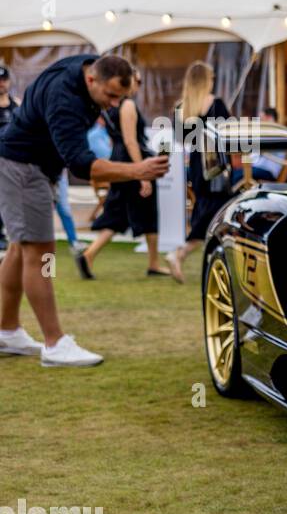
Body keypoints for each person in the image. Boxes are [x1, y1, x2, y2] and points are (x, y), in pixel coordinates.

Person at [0, 54, 169, 366]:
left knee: (18, 249)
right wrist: (138, 171)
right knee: (41, 252)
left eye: (122, 97)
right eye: (111, 95)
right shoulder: (67, 100)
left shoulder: (90, 65)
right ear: (92, 80)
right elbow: (83, 165)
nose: (115, 104)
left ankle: (7, 331)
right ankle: (55, 345)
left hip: (26, 165)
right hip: (24, 168)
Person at [78, 68, 180, 283]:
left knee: (118, 214)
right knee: (147, 211)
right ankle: (151, 263)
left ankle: (90, 254)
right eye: (137, 81)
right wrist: (141, 173)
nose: (139, 86)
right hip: (132, 161)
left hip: (120, 160)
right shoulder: (127, 105)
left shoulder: (109, 106)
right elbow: (130, 140)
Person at [166, 61, 232, 272]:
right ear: (206, 80)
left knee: (206, 207)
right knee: (217, 209)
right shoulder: (216, 104)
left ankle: (204, 254)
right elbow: (229, 133)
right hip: (216, 162)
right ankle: (181, 252)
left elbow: (180, 138)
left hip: (196, 163)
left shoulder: (181, 107)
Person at [0, 65, 18, 252]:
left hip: (13, 161)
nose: (1, 84)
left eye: (4, 80)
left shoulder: (17, 105)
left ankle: (11, 234)